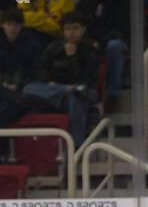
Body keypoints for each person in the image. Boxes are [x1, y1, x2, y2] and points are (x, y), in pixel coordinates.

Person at [24, 12, 99, 145]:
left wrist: (72, 58)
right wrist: (52, 83)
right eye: (67, 29)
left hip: (81, 90)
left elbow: (86, 78)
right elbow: (41, 69)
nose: (71, 32)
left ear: (83, 29)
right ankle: (63, 90)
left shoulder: (90, 49)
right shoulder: (54, 47)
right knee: (28, 89)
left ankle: (77, 145)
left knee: (73, 99)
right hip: (56, 90)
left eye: (75, 28)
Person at [75, 0, 129, 103]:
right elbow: (79, 23)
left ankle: (112, 93)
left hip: (116, 39)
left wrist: (101, 42)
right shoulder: (84, 1)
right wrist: (89, 41)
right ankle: (85, 91)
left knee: (114, 47)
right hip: (91, 41)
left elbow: (123, 26)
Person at [0, 8, 46, 91]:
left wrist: (20, 83)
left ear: (21, 25)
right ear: (2, 25)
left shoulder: (31, 43)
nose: (13, 28)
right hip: (1, 82)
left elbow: (34, 67)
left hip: (26, 83)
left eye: (16, 24)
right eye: (9, 24)